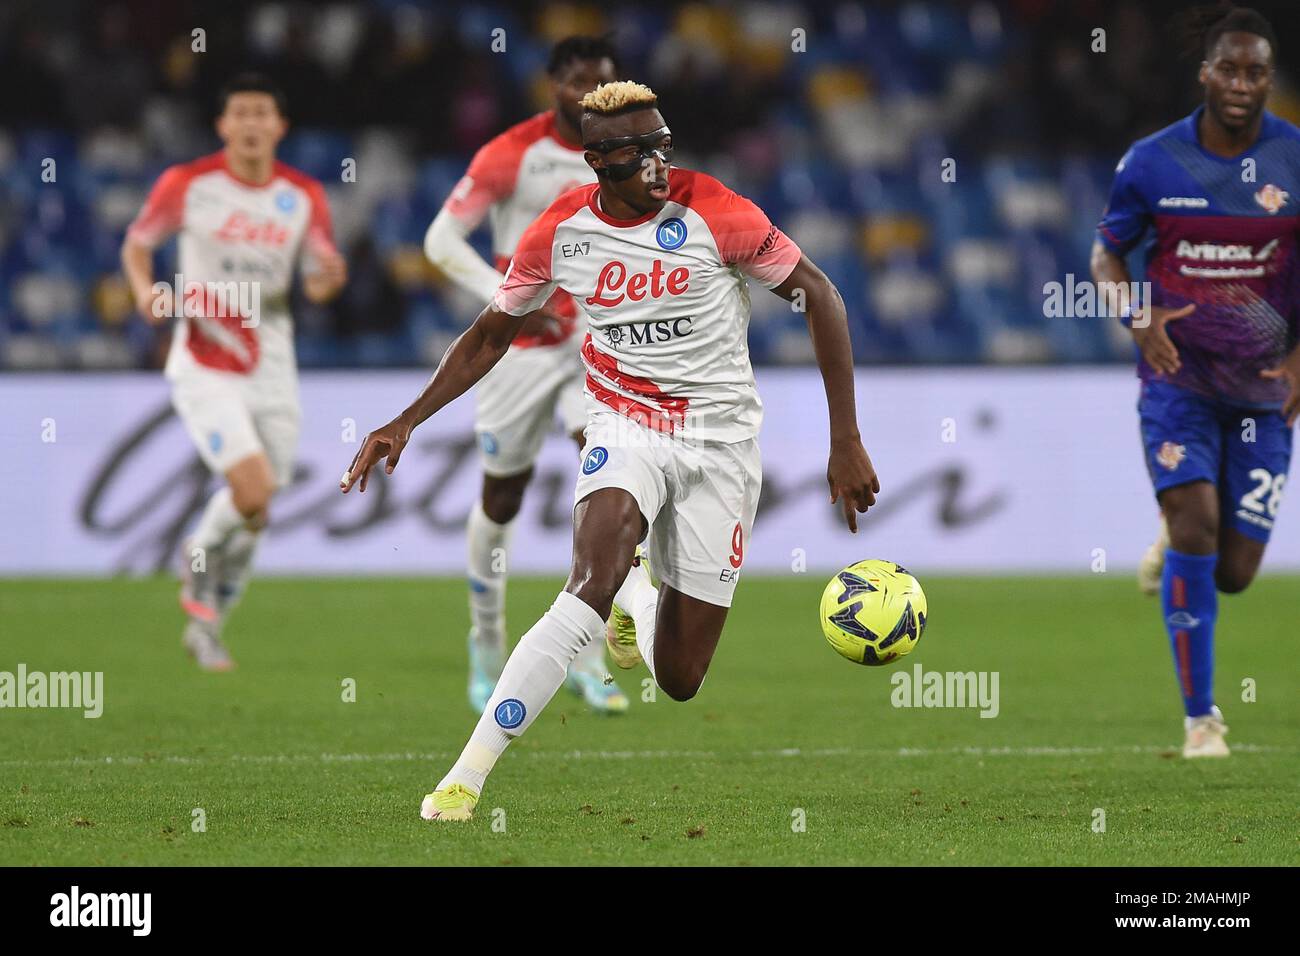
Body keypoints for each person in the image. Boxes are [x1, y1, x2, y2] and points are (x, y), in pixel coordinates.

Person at [342, 81, 880, 820]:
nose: (659, 164)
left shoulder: (715, 209)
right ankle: (464, 779)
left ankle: (642, 596)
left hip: (722, 443)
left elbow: (820, 295)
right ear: (597, 161)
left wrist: (844, 438)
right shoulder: (558, 231)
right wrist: (406, 419)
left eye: (664, 145)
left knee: (681, 677)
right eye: (639, 153)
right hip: (625, 426)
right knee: (588, 580)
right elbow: (492, 332)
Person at [1090, 6, 1300, 757]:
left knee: (1236, 572)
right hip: (1177, 378)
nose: (1244, 84)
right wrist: (1136, 315)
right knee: (1196, 529)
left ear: (1268, 79)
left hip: (1265, 388)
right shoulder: (1151, 162)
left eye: (1258, 72)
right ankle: (1201, 719)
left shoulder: (1294, 158)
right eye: (1231, 69)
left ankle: (1183, 537)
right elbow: (1106, 258)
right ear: (1204, 74)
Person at [422, 36, 626, 715]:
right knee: (501, 500)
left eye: (603, 84)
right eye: (578, 83)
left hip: (595, 345)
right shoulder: (514, 153)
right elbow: (440, 241)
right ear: (554, 86)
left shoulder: (628, 154)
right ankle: (485, 651)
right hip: (520, 352)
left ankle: (587, 656)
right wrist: (503, 297)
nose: (591, 96)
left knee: (610, 483)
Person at [121, 73, 347, 670]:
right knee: (250, 490)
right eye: (239, 113)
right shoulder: (188, 185)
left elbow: (321, 275)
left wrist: (326, 281)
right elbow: (138, 244)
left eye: (261, 113)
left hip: (272, 360)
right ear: (223, 126)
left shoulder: (303, 196)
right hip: (204, 357)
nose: (250, 123)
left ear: (280, 127)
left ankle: (210, 624)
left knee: (259, 509)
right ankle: (197, 549)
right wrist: (146, 292)